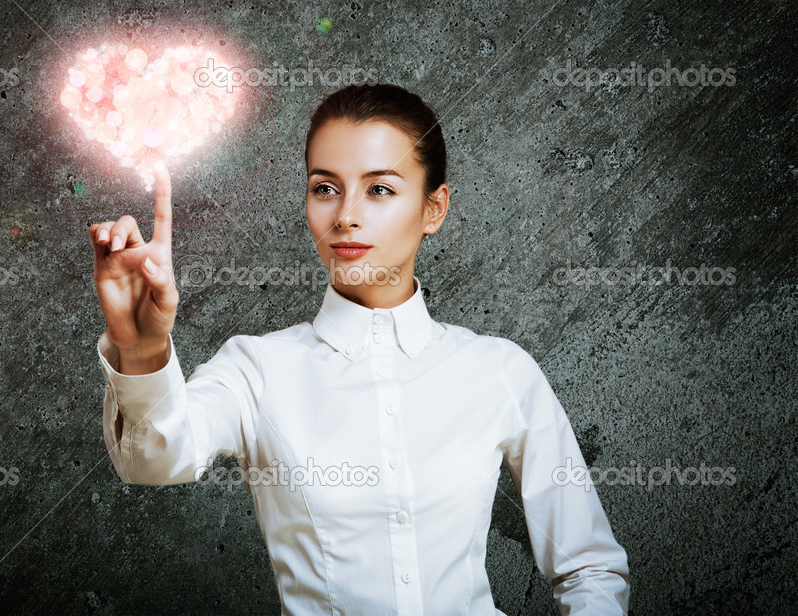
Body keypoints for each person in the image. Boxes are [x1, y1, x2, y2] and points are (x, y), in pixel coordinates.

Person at [89, 84, 630, 615]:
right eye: (325, 187)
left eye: (380, 189)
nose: (345, 215)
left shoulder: (499, 371)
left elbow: (588, 567)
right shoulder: (257, 369)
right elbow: (153, 461)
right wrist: (143, 347)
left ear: (433, 208)